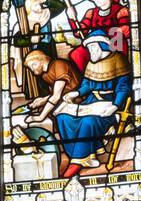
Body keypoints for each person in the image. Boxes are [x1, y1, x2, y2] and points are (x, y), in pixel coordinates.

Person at [53, 31, 132, 176]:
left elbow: (123, 87)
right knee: (62, 117)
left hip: (110, 103)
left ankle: (77, 162)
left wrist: (115, 106)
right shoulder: (91, 63)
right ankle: (85, 156)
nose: (90, 51)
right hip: (90, 102)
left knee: (88, 122)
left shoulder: (118, 60)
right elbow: (87, 85)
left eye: (92, 47)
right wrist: (76, 93)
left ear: (100, 45)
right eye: (89, 48)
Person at [63, 0, 131, 75]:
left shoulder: (121, 10)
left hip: (115, 42)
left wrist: (104, 35)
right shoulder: (91, 12)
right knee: (76, 54)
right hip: (94, 42)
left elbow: (126, 30)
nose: (97, 0)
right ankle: (88, 77)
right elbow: (80, 32)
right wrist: (72, 18)